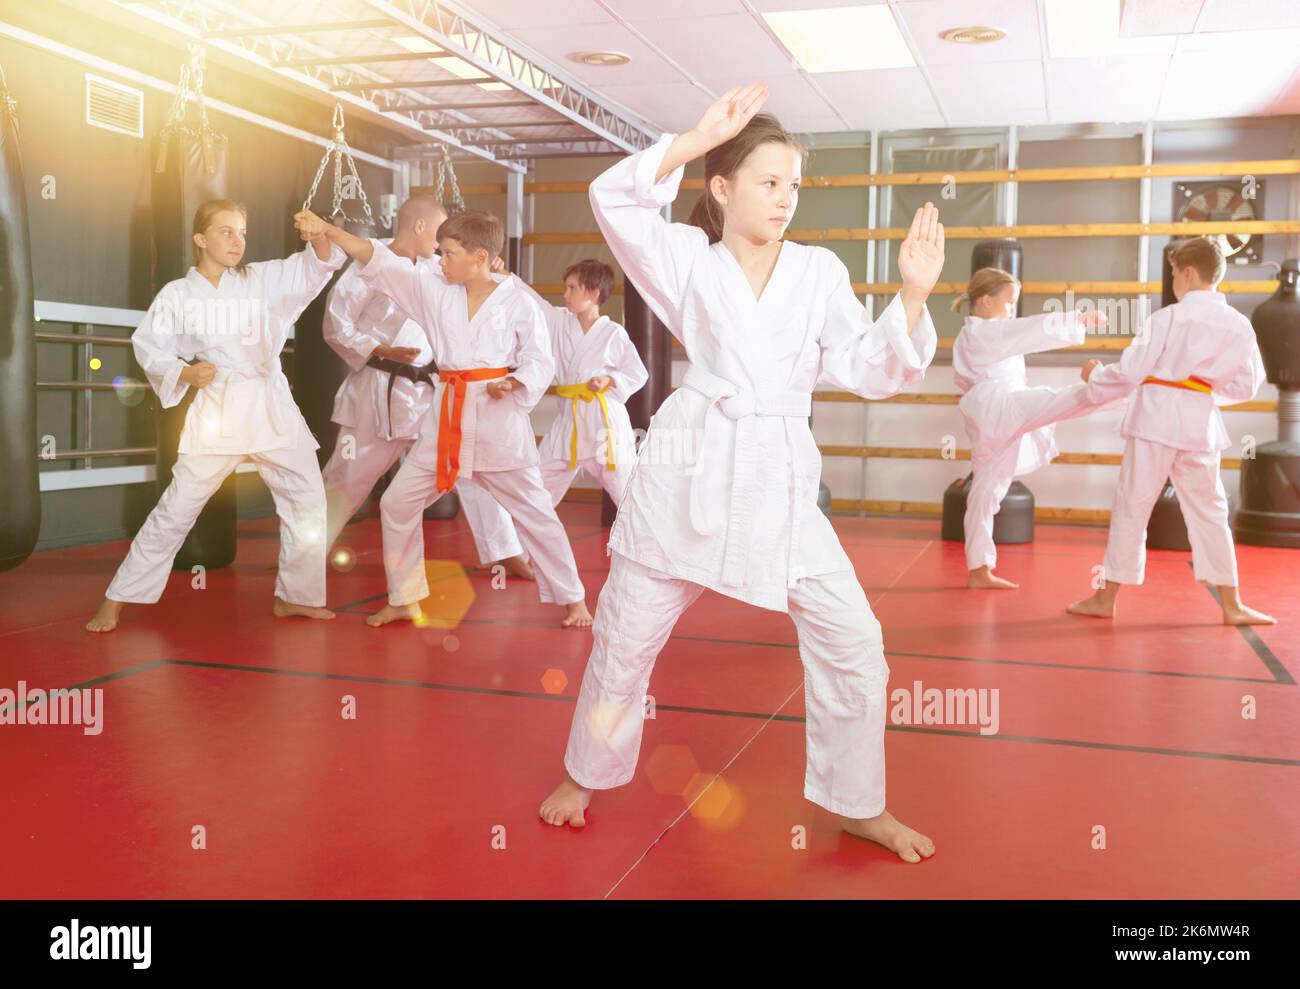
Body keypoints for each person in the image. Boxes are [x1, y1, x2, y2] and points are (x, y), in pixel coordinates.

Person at [538, 83, 944, 863]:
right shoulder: (687, 258)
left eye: (794, 184)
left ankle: (859, 801)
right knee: (624, 634)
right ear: (721, 189)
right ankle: (585, 774)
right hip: (690, 469)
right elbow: (614, 201)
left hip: (780, 480)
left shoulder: (820, 271)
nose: (785, 198)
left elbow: (866, 367)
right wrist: (690, 141)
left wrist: (914, 297)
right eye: (768, 182)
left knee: (856, 640)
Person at [292, 207, 593, 629]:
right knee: (397, 503)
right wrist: (329, 230)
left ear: (481, 257)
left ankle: (573, 598)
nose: (440, 259)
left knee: (535, 512)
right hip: (445, 420)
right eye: (441, 250)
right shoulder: (433, 290)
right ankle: (404, 596)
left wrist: (517, 383)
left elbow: (541, 360)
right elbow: (376, 259)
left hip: (498, 424)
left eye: (450, 253)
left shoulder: (518, 300)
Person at [86, 199, 345, 633]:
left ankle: (295, 596)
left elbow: (315, 268)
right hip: (220, 408)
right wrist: (185, 371)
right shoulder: (179, 294)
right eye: (226, 232)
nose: (237, 240)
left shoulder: (261, 279)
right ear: (200, 239)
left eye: (242, 232)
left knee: (307, 497)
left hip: (269, 403)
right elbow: (149, 345)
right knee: (177, 507)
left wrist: (319, 235)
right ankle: (116, 599)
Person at [320, 195, 533, 580]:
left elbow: (479, 296)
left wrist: (492, 267)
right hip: (379, 387)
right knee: (348, 478)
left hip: (435, 388)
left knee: (471, 466)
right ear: (420, 226)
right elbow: (336, 326)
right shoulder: (370, 262)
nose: (442, 245)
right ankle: (308, 552)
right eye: (439, 233)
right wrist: (379, 348)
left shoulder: (442, 267)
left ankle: (504, 550)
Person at [1068, 236, 1274, 625]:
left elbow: (1129, 372)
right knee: (1211, 512)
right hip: (1200, 423)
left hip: (1156, 420)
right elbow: (1248, 384)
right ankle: (1232, 605)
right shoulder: (1239, 326)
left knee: (1133, 505)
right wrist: (1202, 391)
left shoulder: (1166, 319)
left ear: (1190, 273)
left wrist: (1095, 374)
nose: (1175, 280)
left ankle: (1105, 598)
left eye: (1177, 273)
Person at [952, 267, 1108, 589]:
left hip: (990, 413)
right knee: (1053, 403)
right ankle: (1106, 386)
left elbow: (966, 376)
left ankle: (978, 569)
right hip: (1000, 404)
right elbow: (1032, 330)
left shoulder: (976, 335)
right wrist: (1077, 319)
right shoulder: (984, 332)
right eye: (1008, 302)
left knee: (986, 492)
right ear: (985, 301)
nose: (1012, 310)